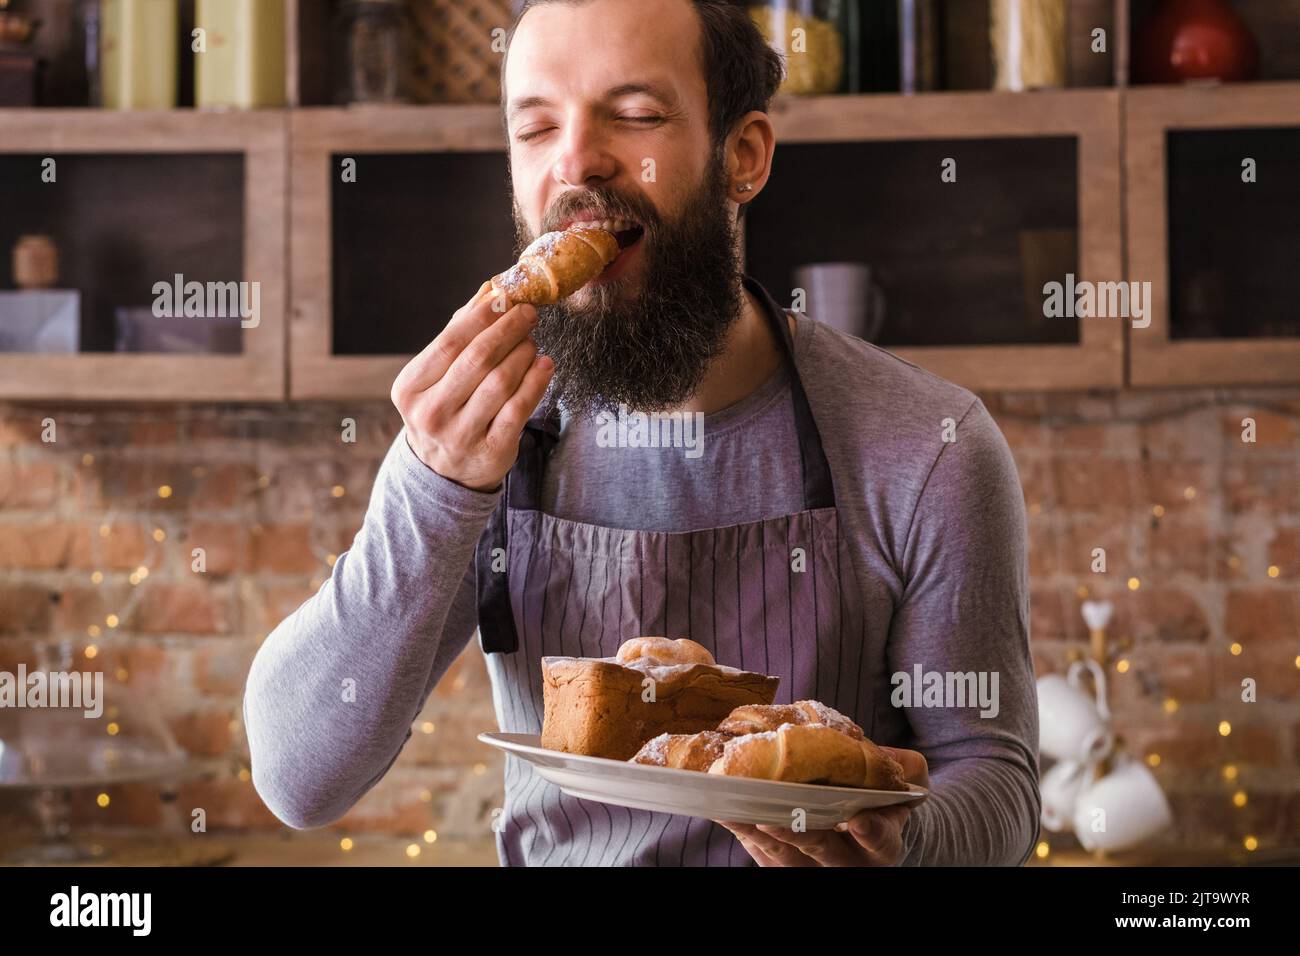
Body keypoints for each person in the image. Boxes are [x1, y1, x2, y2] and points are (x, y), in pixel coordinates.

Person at [244, 0, 1040, 867]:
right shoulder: (484, 436)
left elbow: (991, 776)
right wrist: (431, 492)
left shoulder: (928, 445)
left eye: (634, 116)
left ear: (743, 156)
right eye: (536, 127)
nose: (576, 160)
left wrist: (901, 847)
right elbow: (299, 779)